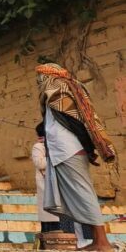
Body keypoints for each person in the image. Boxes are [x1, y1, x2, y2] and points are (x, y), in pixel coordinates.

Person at [36, 63, 114, 252]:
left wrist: (88, 149)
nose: (38, 82)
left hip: (68, 150)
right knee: (81, 194)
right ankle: (97, 241)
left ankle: (102, 243)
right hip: (63, 151)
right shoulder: (60, 91)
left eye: (39, 77)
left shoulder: (58, 91)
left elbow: (78, 123)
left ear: (48, 76)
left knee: (84, 194)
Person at [32, 123, 60, 233]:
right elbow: (39, 163)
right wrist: (55, 156)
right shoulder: (38, 146)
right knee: (49, 221)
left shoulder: (55, 146)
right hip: (46, 186)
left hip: (58, 186)